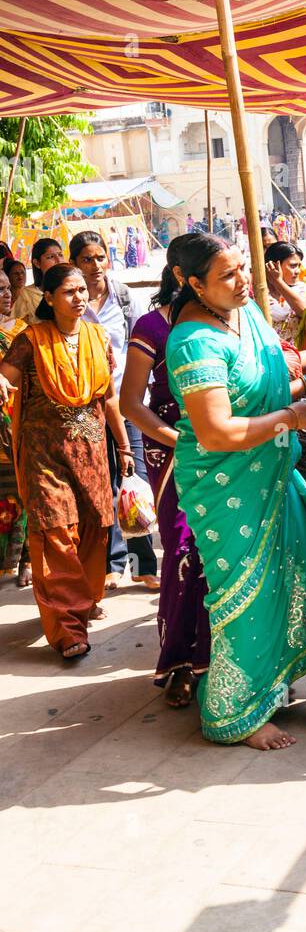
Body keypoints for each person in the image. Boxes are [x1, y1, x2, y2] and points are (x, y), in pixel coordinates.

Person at [165, 234, 306, 750]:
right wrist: (290, 418)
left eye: (243, 268)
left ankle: (271, 689)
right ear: (191, 283)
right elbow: (217, 431)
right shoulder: (193, 342)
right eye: (228, 275)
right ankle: (232, 713)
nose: (244, 282)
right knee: (243, 593)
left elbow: (274, 382)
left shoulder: (244, 316)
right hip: (225, 484)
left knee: (286, 578)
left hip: (272, 473)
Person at [0, 264, 131, 658]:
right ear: (50, 298)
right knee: (54, 532)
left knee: (94, 526)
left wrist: (124, 447)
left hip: (91, 450)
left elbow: (108, 398)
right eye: (69, 291)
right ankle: (68, 629)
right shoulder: (30, 340)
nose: (79, 297)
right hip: (43, 453)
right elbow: (5, 375)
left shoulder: (97, 336)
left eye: (82, 291)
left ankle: (83, 600)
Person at [120, 237, 210, 707]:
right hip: (173, 451)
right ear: (184, 275)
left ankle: (220, 662)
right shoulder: (152, 325)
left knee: (220, 550)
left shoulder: (226, 320)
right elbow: (130, 403)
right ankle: (179, 662)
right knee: (183, 551)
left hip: (226, 449)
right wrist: (184, 439)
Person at [69, 230, 158, 591]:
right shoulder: (72, 302)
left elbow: (142, 346)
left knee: (133, 482)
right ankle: (112, 562)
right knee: (101, 485)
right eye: (86, 259)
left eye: (100, 257)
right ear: (74, 263)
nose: (95, 266)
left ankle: (143, 563)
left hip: (127, 403)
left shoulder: (124, 298)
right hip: (89, 410)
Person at [0, 268, 27, 582]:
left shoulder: (23, 331)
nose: (7, 294)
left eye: (8, 288)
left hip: (16, 421)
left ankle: (26, 562)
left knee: (22, 492)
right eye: (0, 289)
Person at [264, 241, 306, 344]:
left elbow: (304, 311)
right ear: (274, 266)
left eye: (299, 265)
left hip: (297, 355)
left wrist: (278, 282)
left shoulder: (301, 289)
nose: (298, 271)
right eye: (293, 266)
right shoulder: (261, 292)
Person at [12, 237, 64, 325]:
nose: (58, 260)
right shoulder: (26, 295)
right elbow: (16, 330)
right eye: (50, 257)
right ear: (37, 263)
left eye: (60, 255)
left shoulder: (73, 289)